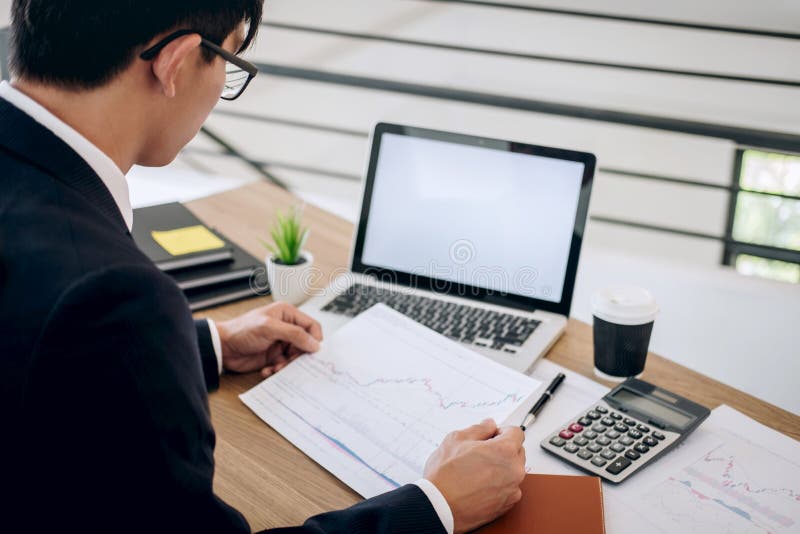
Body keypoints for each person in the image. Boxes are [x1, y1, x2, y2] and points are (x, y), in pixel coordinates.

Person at [0, 1, 526, 532]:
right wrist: (435, 507)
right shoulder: (116, 296)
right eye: (230, 62)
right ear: (177, 62)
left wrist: (206, 345)